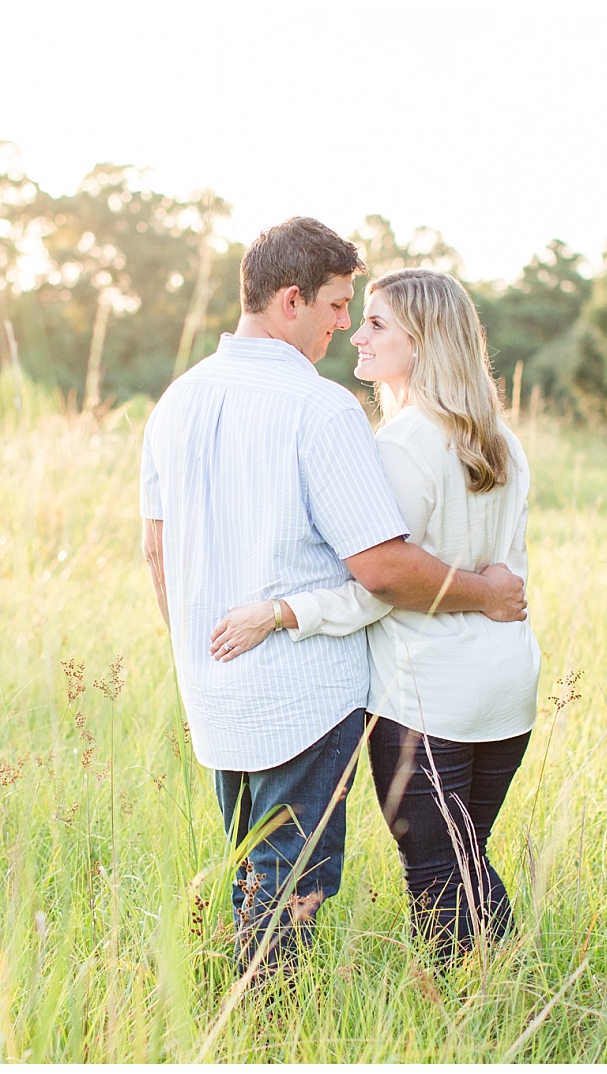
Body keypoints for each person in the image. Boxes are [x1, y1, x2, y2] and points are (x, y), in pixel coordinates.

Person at [139, 218, 527, 973]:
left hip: (215, 681)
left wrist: (195, 648)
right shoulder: (322, 410)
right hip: (305, 686)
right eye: (337, 306)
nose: (344, 326)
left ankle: (250, 1014)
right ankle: (269, 1022)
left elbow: (157, 549)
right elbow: (382, 569)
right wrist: (485, 592)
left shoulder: (176, 401)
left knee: (253, 862)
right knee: (294, 879)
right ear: (292, 301)